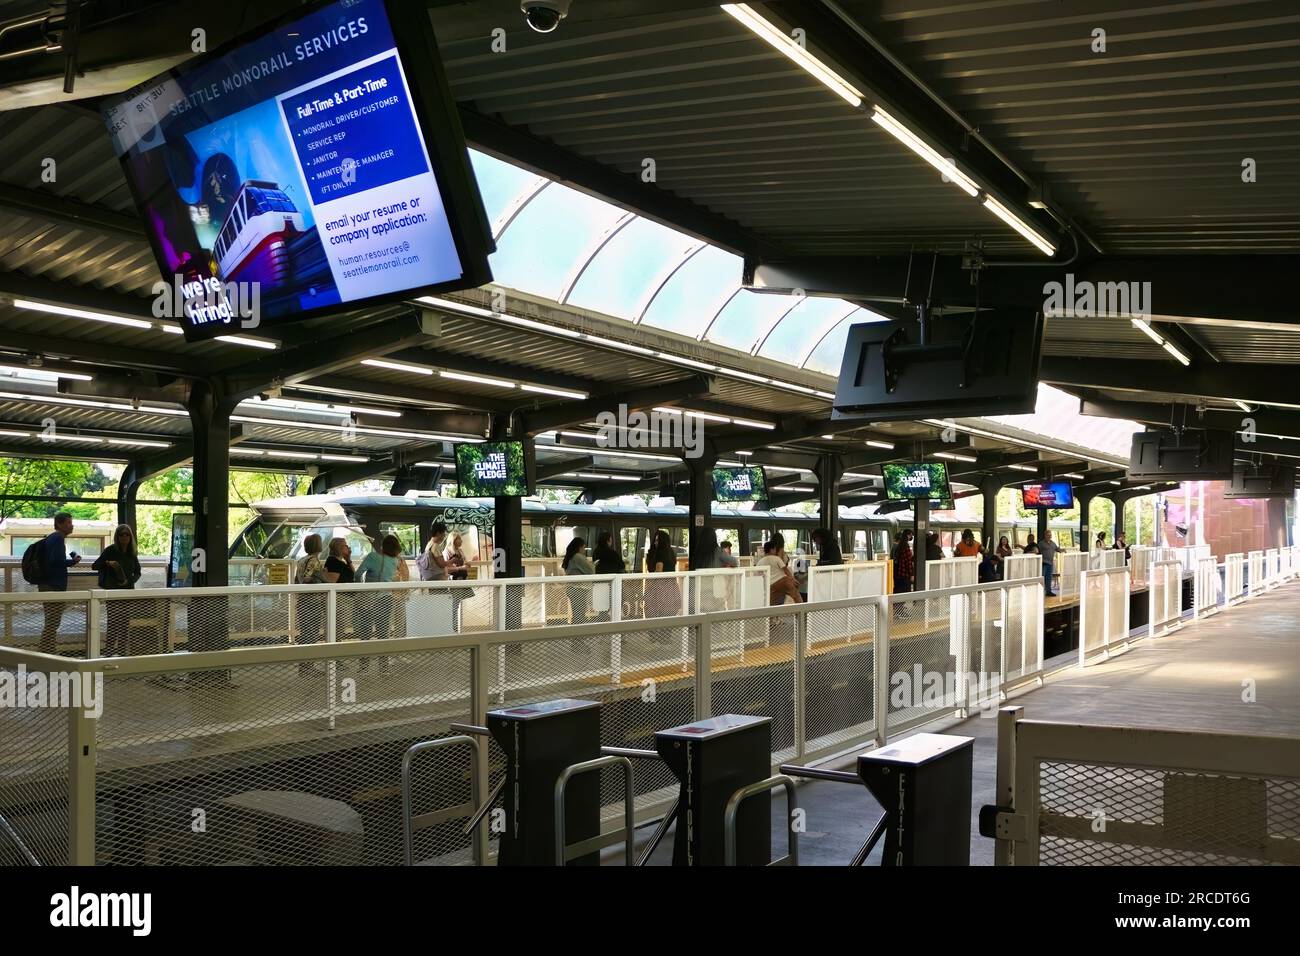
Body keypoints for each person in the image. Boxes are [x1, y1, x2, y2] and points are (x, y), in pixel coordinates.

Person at [92, 524, 143, 656]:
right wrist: (108, 563)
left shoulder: (132, 553)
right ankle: (109, 651)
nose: (124, 537)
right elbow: (95, 565)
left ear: (130, 537)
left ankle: (121, 652)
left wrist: (129, 581)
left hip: (127, 591)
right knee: (113, 621)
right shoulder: (110, 551)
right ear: (117, 536)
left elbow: (137, 572)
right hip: (113, 591)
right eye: (121, 534)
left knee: (125, 622)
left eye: (127, 534)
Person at [355, 534, 404, 668]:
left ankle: (363, 665)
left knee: (365, 631)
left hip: (368, 599)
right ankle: (384, 666)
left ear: (383, 546)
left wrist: (361, 587)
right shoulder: (395, 561)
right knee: (383, 632)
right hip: (386, 599)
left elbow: (358, 574)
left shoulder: (372, 557)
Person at [38, 512, 82, 654]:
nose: (71, 525)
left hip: (47, 584)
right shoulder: (58, 538)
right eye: (68, 522)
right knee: (53, 621)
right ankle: (45, 651)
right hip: (54, 585)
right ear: (59, 524)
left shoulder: (52, 538)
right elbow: (55, 561)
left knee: (51, 620)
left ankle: (49, 650)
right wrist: (73, 561)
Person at [293, 533, 328, 674]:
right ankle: (308, 667)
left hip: (302, 600)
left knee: (305, 632)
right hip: (312, 601)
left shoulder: (301, 560)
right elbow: (308, 579)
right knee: (311, 633)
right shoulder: (313, 560)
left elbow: (298, 580)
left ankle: (304, 665)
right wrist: (321, 577)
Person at [644, 530, 681, 620]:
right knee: (668, 618)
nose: (656, 543)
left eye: (657, 540)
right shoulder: (671, 553)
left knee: (655, 617)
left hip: (659, 589)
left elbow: (658, 572)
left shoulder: (659, 554)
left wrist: (647, 589)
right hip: (671, 587)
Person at [323, 537, 355, 641]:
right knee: (338, 624)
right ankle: (334, 646)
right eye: (346, 545)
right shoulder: (334, 562)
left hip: (344, 599)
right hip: (339, 599)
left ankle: (336, 644)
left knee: (341, 625)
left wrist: (348, 559)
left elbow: (352, 573)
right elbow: (332, 581)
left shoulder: (340, 562)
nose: (348, 548)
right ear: (339, 548)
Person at [562, 537, 595, 634]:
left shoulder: (570, 557)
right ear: (579, 547)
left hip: (572, 588)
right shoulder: (578, 557)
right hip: (578, 589)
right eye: (583, 548)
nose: (584, 550)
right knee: (580, 614)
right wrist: (593, 565)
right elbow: (590, 571)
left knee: (576, 613)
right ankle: (578, 635)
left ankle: (576, 635)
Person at [760, 539, 802, 605]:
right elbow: (786, 570)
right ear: (772, 550)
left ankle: (774, 615)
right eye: (774, 549)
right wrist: (793, 579)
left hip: (771, 585)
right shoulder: (776, 558)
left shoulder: (760, 562)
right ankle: (802, 613)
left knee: (774, 603)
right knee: (796, 597)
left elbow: (760, 575)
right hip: (783, 581)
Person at [1039, 530, 1061, 597]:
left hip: (1050, 564)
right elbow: (1037, 551)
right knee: (1042, 578)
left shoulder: (1053, 543)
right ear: (1045, 535)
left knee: (1049, 578)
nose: (1049, 536)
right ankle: (1040, 592)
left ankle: (1049, 591)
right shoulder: (1041, 543)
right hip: (1043, 563)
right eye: (1048, 535)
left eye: (1050, 535)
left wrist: (1063, 550)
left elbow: (1057, 549)